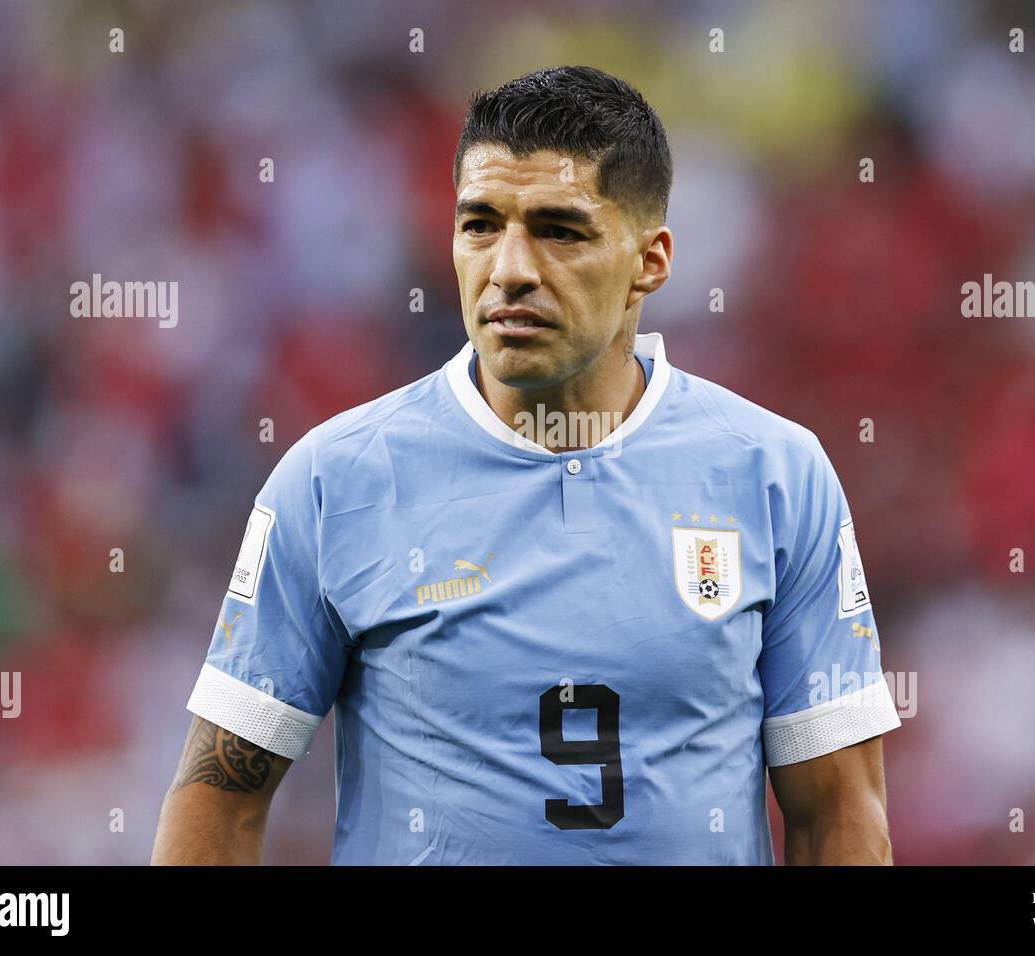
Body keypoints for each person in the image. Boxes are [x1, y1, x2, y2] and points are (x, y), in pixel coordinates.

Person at [151, 65, 900, 865]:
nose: (510, 268)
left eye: (558, 230)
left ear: (651, 260)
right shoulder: (336, 480)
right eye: (480, 224)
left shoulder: (775, 475)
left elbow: (838, 811)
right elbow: (218, 801)